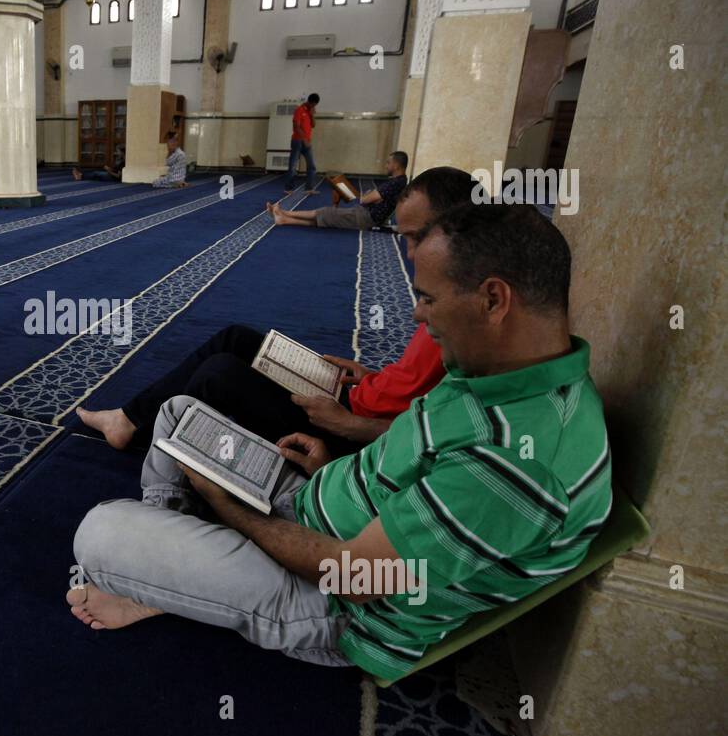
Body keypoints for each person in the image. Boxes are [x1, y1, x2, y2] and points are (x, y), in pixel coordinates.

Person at [69, 203, 611, 683]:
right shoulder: (504, 369)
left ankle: (161, 576)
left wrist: (228, 507)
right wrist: (332, 466)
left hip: (334, 605)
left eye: (426, 298)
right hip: (315, 503)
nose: (418, 315)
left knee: (98, 534)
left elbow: (356, 577)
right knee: (179, 414)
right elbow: (414, 461)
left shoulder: (516, 465)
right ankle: (164, 579)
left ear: (494, 299)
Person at [77, 167, 482, 454]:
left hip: (348, 429)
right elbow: (418, 386)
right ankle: (128, 420)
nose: (408, 252)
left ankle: (149, 444)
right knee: (236, 338)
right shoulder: (450, 291)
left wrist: (355, 425)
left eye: (416, 236)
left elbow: (450, 432)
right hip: (354, 395)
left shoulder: (471, 319)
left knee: (219, 375)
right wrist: (370, 378)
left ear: (456, 226)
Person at [269, 151, 409, 230]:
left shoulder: (395, 183)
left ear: (396, 165)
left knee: (325, 212)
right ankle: (284, 219)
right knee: (325, 218)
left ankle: (284, 213)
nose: (386, 166)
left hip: (365, 218)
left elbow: (366, 199)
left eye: (388, 163)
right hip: (365, 215)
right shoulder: (399, 181)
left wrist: (364, 195)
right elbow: (374, 198)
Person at [282, 92, 319, 194]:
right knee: (293, 166)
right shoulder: (299, 110)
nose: (314, 107)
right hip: (297, 141)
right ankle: (288, 189)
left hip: (307, 142)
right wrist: (304, 140)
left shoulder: (309, 111)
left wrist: (312, 115)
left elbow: (314, 125)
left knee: (311, 166)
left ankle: (309, 188)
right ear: (310, 102)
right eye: (313, 105)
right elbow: (296, 127)